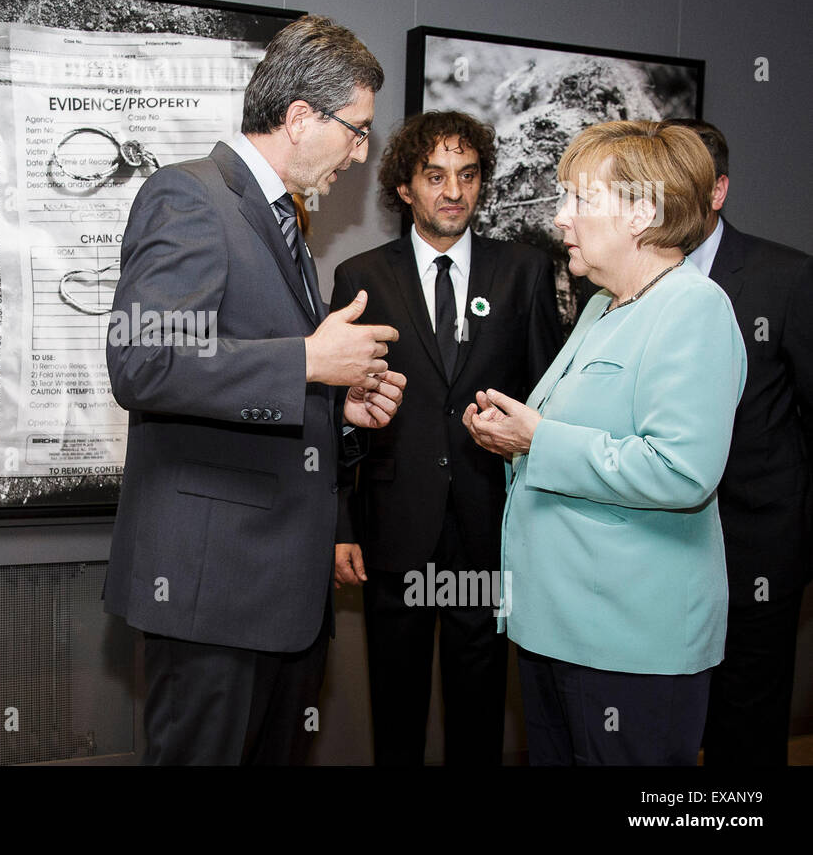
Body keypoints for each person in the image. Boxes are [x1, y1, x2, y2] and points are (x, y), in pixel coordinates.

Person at [103, 15, 405, 765]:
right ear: (302, 118)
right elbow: (142, 357)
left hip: (277, 597)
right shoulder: (190, 196)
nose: (362, 152)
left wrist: (341, 403)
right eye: (358, 131)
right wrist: (307, 362)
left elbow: (253, 377)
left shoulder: (283, 219)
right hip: (213, 595)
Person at [463, 120, 746, 765]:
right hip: (558, 628)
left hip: (630, 642)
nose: (560, 218)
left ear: (643, 212)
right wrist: (512, 435)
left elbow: (681, 471)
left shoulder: (693, 308)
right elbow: (579, 436)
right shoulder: (603, 306)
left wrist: (538, 440)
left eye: (578, 199)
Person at [332, 111, 563, 765]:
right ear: (406, 188)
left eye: (466, 175)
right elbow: (337, 414)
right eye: (435, 176)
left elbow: (548, 401)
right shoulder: (360, 279)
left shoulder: (523, 272)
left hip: (489, 528)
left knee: (481, 706)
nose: (453, 191)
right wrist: (343, 524)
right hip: (393, 528)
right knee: (396, 707)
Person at [663, 119, 813, 766]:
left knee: (747, 725)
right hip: (663, 548)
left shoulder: (787, 278)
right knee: (663, 721)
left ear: (717, 189)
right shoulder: (626, 283)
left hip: (759, 549)